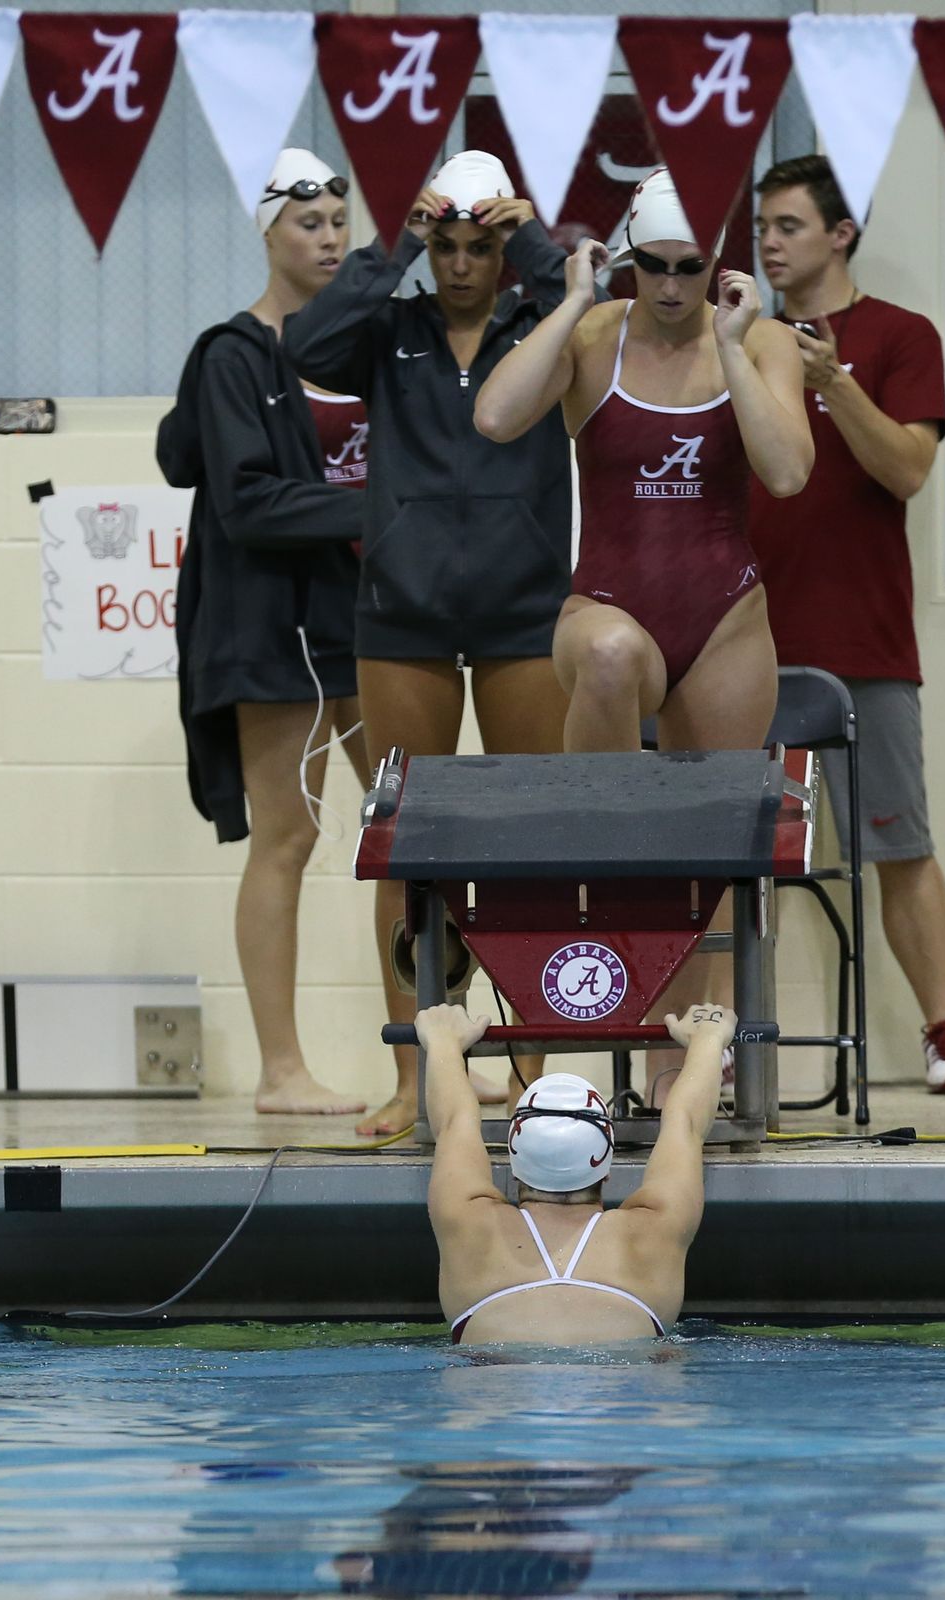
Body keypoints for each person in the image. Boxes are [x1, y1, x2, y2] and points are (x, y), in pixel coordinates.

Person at [474, 168, 811, 1100]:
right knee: (616, 666)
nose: (668, 288)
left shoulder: (767, 339)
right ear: (628, 261)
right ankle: (607, 892)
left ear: (718, 265)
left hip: (726, 613)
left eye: (688, 268)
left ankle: (677, 1064)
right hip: (609, 607)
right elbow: (497, 416)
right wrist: (575, 295)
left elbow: (785, 473)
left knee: (712, 853)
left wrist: (736, 347)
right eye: (651, 268)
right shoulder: (592, 335)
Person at [285, 151, 580, 1137]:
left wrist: (533, 243)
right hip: (402, 613)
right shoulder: (389, 328)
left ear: (501, 248)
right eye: (444, 246)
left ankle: (534, 1071)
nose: (458, 265)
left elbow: (599, 310)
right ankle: (415, 1078)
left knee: (531, 849)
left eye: (478, 246)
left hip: (522, 610)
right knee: (406, 851)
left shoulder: (541, 328)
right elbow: (304, 346)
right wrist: (384, 247)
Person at [745, 155, 945, 1097]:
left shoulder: (898, 337)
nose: (769, 241)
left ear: (841, 235)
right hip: (740, 644)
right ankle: (718, 1039)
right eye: (763, 225)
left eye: (790, 225)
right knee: (730, 856)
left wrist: (834, 382)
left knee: (899, 844)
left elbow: (907, 471)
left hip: (863, 640)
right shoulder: (738, 338)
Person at [156, 149, 369, 1116]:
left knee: (416, 839)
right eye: (308, 224)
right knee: (288, 835)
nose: (328, 239)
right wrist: (381, 511)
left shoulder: (367, 345)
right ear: (268, 231)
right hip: (270, 626)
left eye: (339, 223)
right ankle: (281, 1068)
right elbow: (243, 502)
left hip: (368, 620)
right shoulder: (236, 356)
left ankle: (433, 1053)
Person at [419, 1001, 735, 1345]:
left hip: (499, 1382)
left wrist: (443, 1041)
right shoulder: (653, 1229)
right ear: (606, 1167)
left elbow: (454, 1122)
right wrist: (708, 1038)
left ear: (513, 1162)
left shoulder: (469, 1222)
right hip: (626, 1384)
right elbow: (684, 1123)